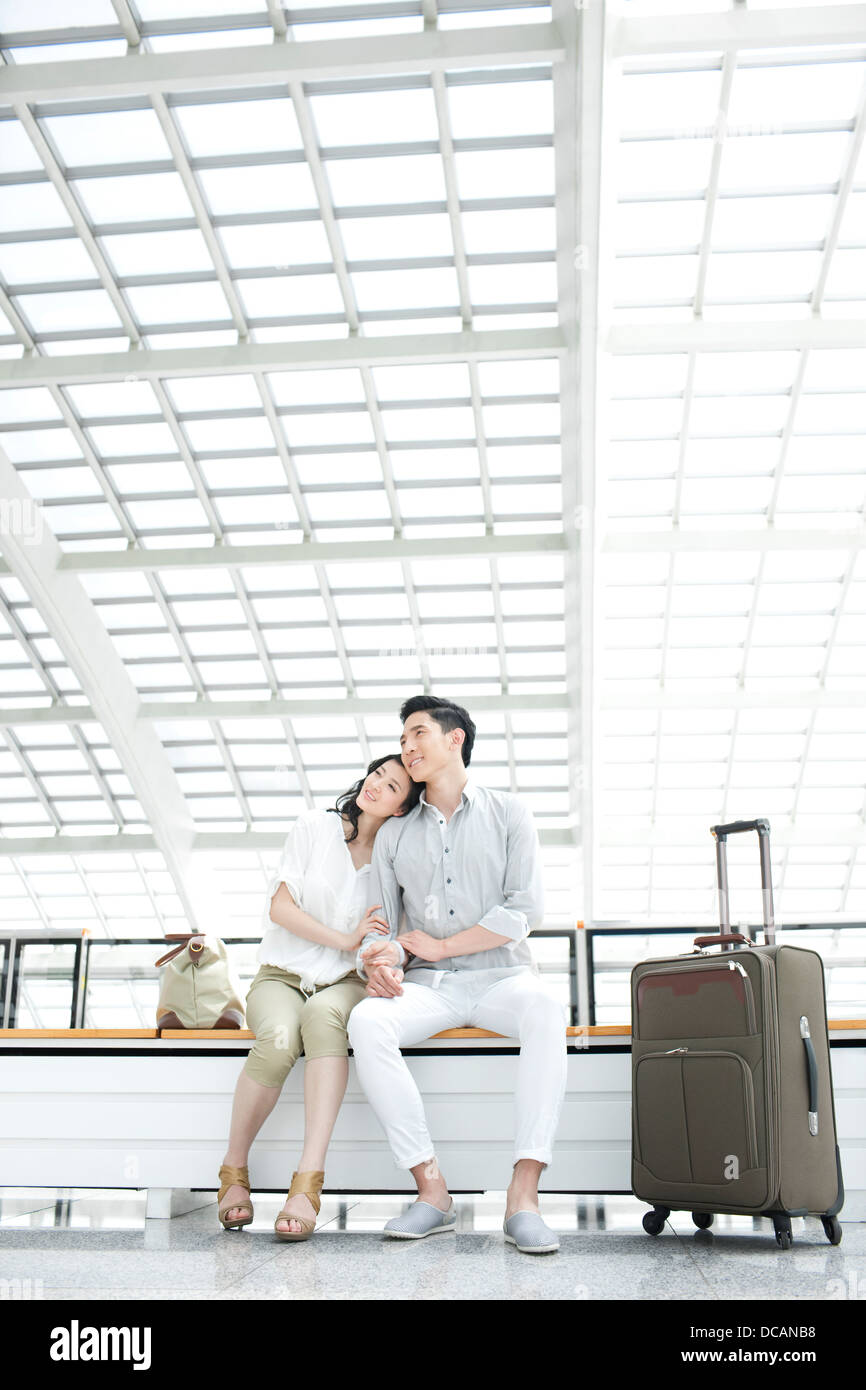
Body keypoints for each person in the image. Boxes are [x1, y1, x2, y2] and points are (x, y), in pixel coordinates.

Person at [347, 695, 568, 1255]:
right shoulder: (395, 833)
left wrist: (444, 945)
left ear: (455, 739)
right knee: (367, 1021)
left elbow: (525, 910)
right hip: (430, 988)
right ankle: (432, 1190)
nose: (407, 747)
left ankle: (524, 1196)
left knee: (546, 1007)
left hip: (502, 978)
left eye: (417, 733)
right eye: (401, 740)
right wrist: (379, 961)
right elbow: (380, 927)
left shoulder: (509, 813)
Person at [218, 753, 422, 1240]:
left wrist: (381, 964)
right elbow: (281, 909)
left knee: (323, 1018)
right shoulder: (314, 826)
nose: (376, 785)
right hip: (281, 975)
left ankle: (307, 1182)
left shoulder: (394, 862)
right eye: (377, 774)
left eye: (392, 786)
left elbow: (396, 938)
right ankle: (233, 1170)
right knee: (278, 1038)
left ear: (400, 808)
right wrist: (346, 939)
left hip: (345, 983)